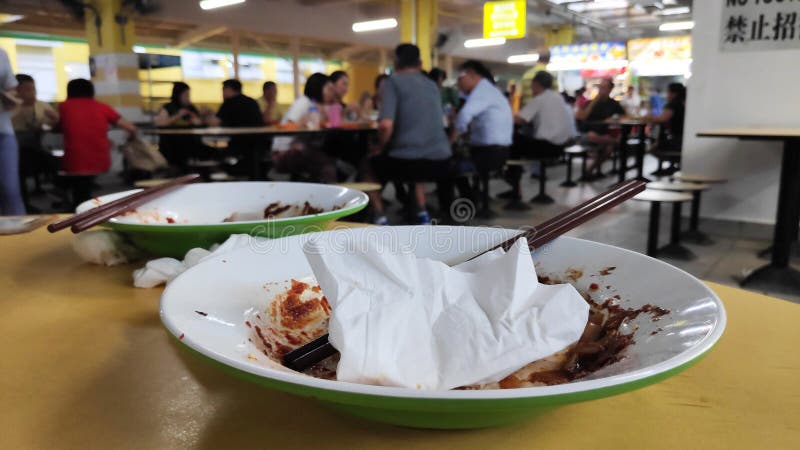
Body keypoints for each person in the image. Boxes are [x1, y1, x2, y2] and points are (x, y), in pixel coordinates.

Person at [364, 43, 452, 225]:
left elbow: (385, 125)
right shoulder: (432, 85)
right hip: (442, 161)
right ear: (420, 63)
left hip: (408, 162)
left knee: (367, 163)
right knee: (416, 163)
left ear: (395, 62)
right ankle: (422, 214)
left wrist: (380, 147)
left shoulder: (393, 82)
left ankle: (380, 217)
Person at [58, 78, 136, 206]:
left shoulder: (63, 106)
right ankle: (83, 205)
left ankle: (76, 204)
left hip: (74, 159)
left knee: (73, 182)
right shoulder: (102, 107)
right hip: (99, 158)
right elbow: (130, 127)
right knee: (83, 186)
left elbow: (58, 126)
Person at [453, 59, 513, 217]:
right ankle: (475, 198)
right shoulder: (491, 90)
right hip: (499, 151)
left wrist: (451, 139)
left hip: (488, 153)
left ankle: (467, 205)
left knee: (450, 165)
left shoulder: (482, 91)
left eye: (459, 78)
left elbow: (463, 117)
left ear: (471, 74)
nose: (458, 84)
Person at [507, 71, 577, 203]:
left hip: (546, 146)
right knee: (519, 139)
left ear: (536, 84)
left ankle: (516, 189)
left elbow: (518, 119)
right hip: (560, 146)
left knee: (511, 142)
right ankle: (515, 188)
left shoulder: (539, 99)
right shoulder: (558, 97)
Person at [271, 73, 337, 183]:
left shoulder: (314, 104)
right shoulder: (303, 102)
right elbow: (289, 125)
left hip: (299, 150)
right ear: (318, 87)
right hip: (283, 152)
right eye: (329, 89)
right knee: (326, 165)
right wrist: (304, 122)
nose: (332, 93)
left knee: (328, 160)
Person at [13, 74, 60, 201]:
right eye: (26, 89)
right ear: (16, 90)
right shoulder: (11, 106)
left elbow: (51, 124)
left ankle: (57, 190)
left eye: (33, 89)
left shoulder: (42, 105)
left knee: (54, 161)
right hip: (18, 145)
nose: (31, 92)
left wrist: (53, 120)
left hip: (38, 144)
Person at [574, 78, 625, 179]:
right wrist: (595, 101)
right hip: (586, 133)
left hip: (603, 134)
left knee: (608, 148)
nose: (601, 89)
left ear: (610, 89)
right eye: (600, 87)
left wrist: (614, 118)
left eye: (604, 87)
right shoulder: (590, 102)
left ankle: (590, 170)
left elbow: (624, 115)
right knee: (593, 136)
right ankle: (614, 141)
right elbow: (581, 116)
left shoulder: (613, 104)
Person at [154, 82, 205, 172]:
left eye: (188, 95)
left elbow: (199, 124)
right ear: (178, 95)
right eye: (185, 95)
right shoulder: (168, 107)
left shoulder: (190, 108)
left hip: (190, 143)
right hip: (171, 144)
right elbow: (161, 124)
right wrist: (177, 116)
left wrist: (194, 117)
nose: (188, 98)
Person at [0, 48, 23, 215]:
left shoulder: (1, 54)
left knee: (10, 190)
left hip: (3, 130)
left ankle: (21, 239)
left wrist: (10, 97)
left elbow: (12, 88)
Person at [646, 82, 686, 175]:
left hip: (677, 141)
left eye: (668, 92)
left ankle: (672, 168)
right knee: (658, 144)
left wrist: (648, 117)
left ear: (674, 93)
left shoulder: (673, 104)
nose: (667, 94)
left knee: (653, 148)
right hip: (682, 139)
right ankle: (673, 166)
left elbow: (662, 119)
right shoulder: (683, 103)